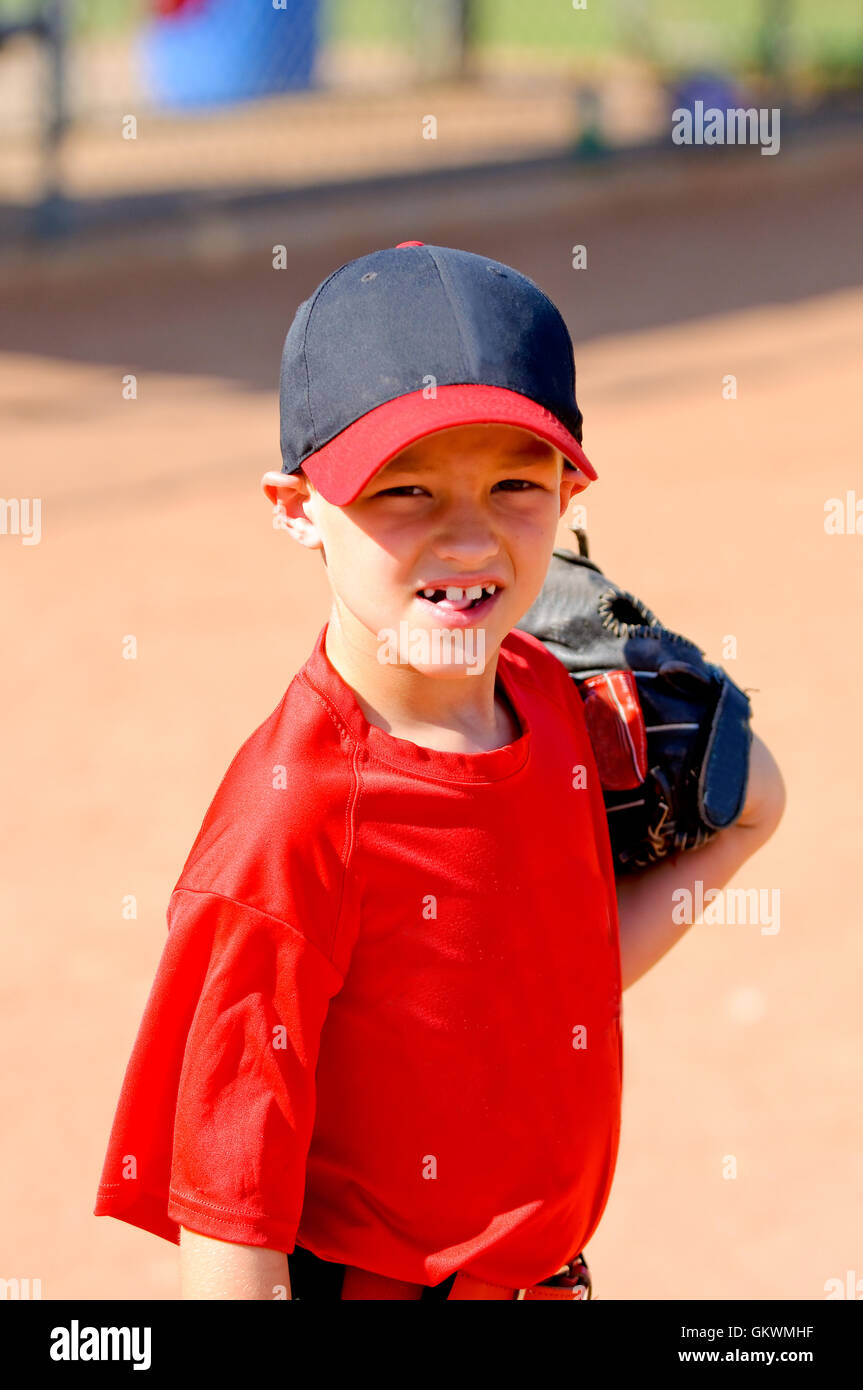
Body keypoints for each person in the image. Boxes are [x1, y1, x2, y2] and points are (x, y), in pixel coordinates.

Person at [94, 242, 785, 1300]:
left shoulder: (550, 700)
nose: (468, 537)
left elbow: (555, 980)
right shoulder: (290, 822)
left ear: (568, 489)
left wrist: (742, 818)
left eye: (514, 482)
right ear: (292, 506)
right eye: (405, 489)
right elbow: (231, 1227)